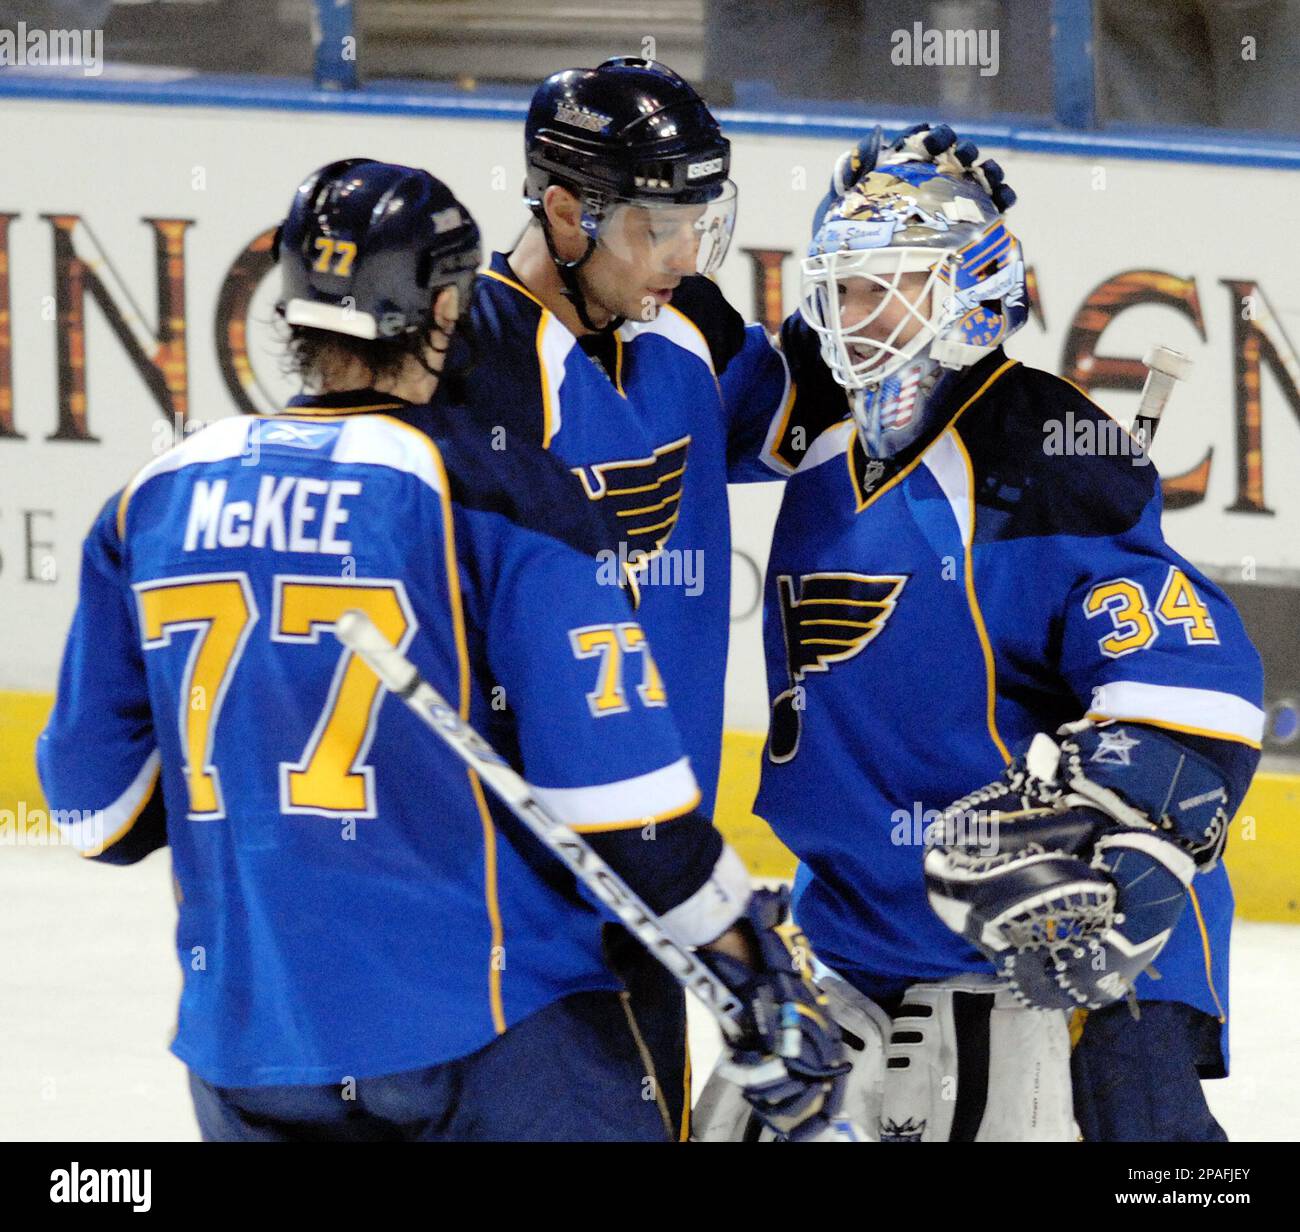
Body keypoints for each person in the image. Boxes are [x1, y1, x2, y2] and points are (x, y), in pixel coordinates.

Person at [35, 157, 843, 1142]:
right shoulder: (505, 495)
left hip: (252, 1042)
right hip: (499, 1031)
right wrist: (749, 961)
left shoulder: (153, 497)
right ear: (452, 303)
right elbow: (624, 813)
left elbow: (93, 813)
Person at [460, 55, 1012, 1136]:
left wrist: (908, 232)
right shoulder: (468, 365)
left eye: (699, 222)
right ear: (564, 211)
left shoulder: (685, 331)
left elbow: (823, 395)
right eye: (653, 228)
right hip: (503, 899)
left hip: (653, 883)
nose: (680, 255)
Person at [729, 154, 1263, 1140]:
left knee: (1155, 1151)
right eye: (844, 284)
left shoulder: (1043, 450)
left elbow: (1195, 689)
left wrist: (1128, 848)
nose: (857, 312)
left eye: (892, 285)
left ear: (974, 295)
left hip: (1066, 931)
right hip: (856, 926)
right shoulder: (816, 440)